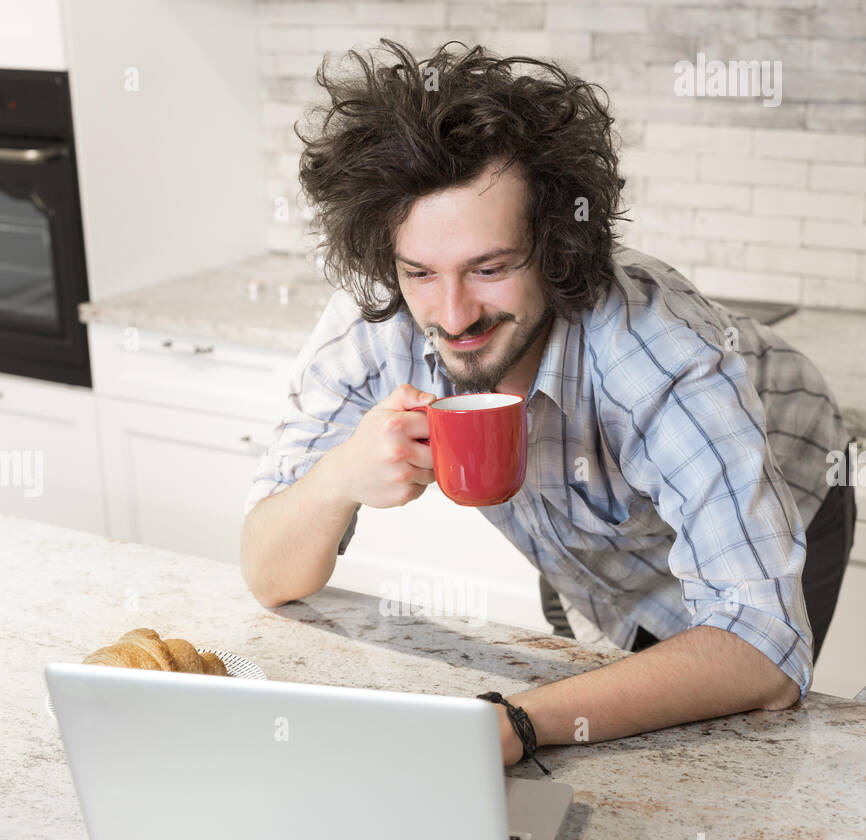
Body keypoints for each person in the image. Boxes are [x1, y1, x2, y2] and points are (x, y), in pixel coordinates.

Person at [241, 41, 855, 769]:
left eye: (490, 268)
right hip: (587, 546)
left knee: (737, 753)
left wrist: (517, 722)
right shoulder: (377, 323)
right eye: (420, 273)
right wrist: (337, 479)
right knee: (603, 737)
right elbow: (266, 572)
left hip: (793, 473)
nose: (453, 313)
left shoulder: (654, 351)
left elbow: (763, 649)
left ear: (558, 245)